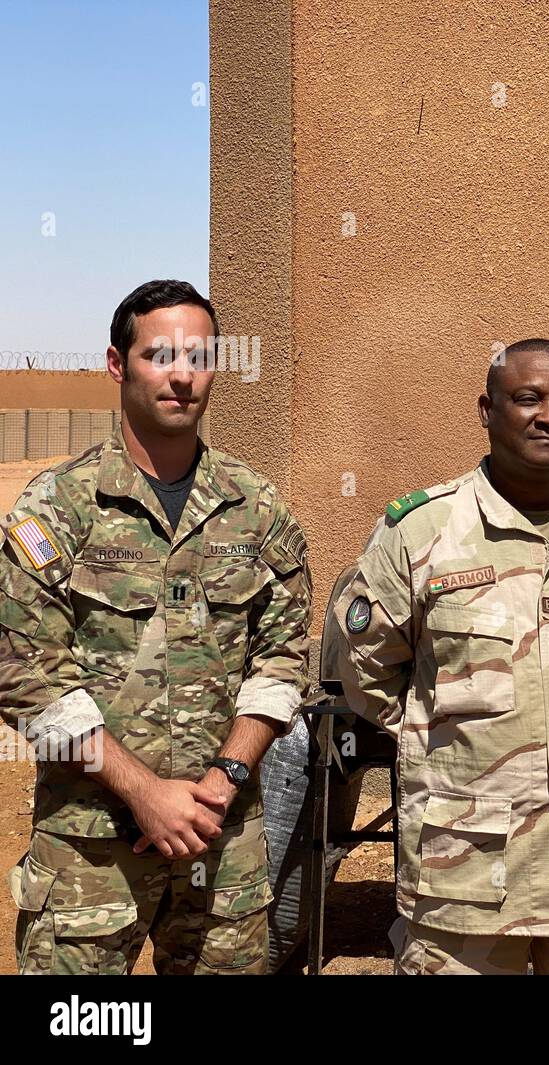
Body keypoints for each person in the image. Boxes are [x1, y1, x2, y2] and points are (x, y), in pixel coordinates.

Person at [334, 338, 549, 974]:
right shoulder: (421, 532)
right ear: (486, 411)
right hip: (466, 881)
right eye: (528, 399)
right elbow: (366, 670)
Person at [2, 279, 311, 974]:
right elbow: (22, 673)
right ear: (119, 364)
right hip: (91, 851)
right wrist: (144, 790)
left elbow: (283, 657)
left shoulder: (258, 510)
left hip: (220, 841)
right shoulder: (56, 509)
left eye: (198, 356)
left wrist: (225, 777)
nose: (181, 374)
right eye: (160, 354)